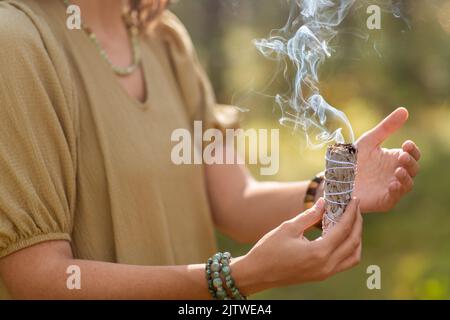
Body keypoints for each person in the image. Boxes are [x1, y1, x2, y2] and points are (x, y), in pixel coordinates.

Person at [0, 0, 420, 299]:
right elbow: (39, 279)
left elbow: (234, 199)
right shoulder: (16, 42)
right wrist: (231, 279)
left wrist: (328, 191)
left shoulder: (163, 39)